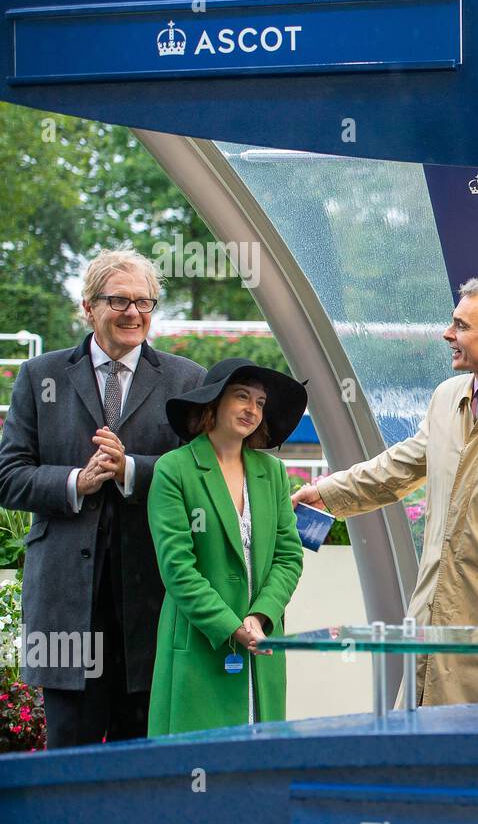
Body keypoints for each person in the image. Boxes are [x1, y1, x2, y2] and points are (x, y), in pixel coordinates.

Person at [293, 279, 478, 705]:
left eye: (460, 325)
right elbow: (400, 466)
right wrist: (328, 492)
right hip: (432, 631)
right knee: (424, 761)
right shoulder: (447, 397)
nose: (447, 334)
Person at [0, 249, 205, 748]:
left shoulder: (188, 381)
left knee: (146, 756)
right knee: (70, 755)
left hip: (152, 597)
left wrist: (129, 469)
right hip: (67, 603)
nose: (134, 313)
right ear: (88, 307)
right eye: (119, 300)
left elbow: (201, 477)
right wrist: (77, 481)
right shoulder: (39, 376)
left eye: (145, 302)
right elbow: (9, 476)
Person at [146, 359, 307, 735]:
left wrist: (261, 615)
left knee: (256, 764)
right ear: (213, 403)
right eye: (241, 397)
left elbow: (289, 556)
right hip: (201, 644)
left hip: (261, 641)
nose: (252, 409)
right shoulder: (174, 469)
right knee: (195, 768)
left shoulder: (273, 472)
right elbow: (177, 569)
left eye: (260, 402)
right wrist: (232, 626)